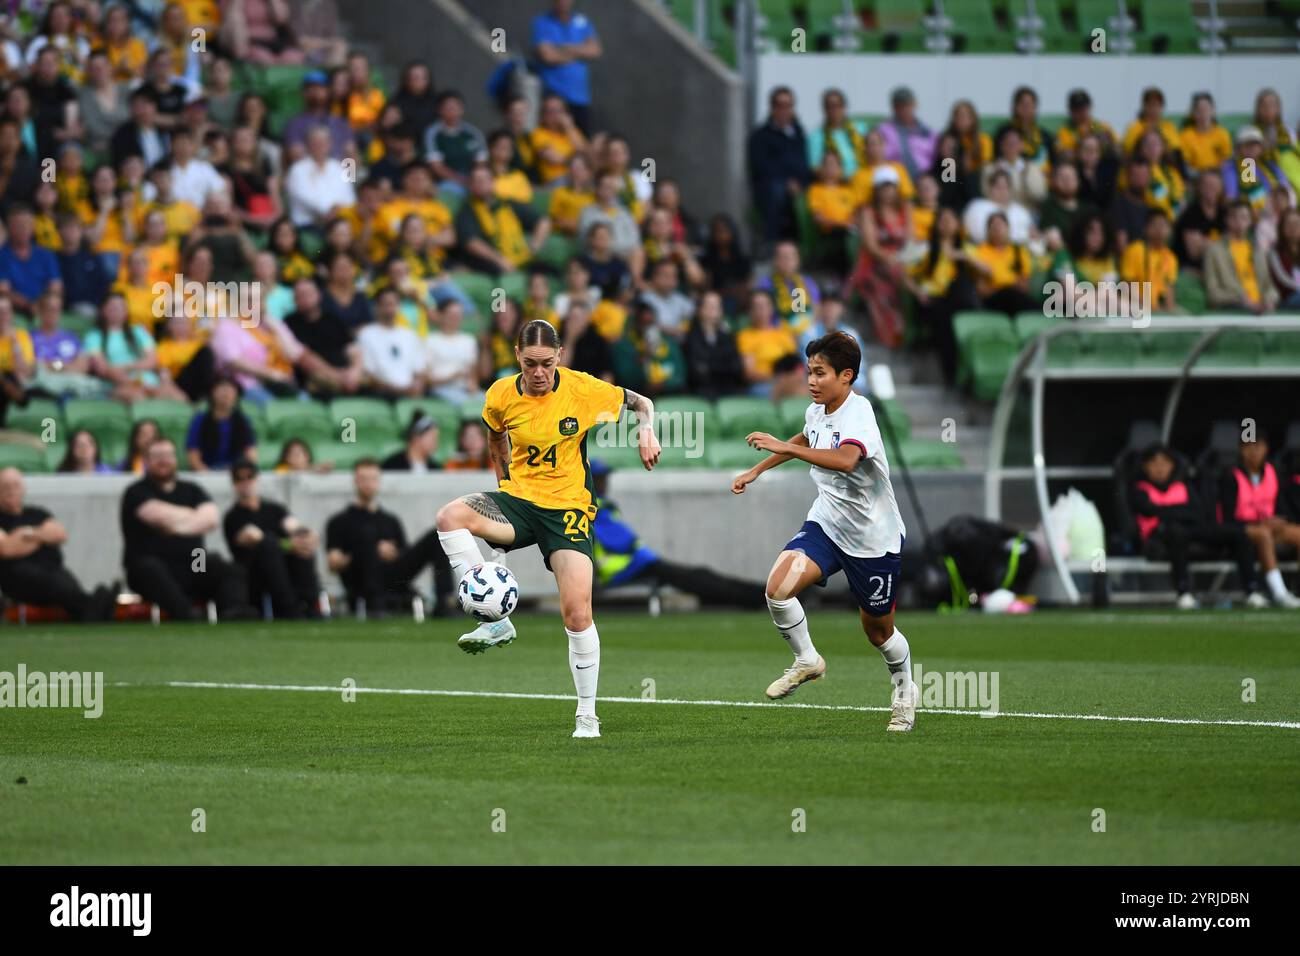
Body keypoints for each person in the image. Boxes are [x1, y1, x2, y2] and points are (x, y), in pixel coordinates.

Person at [434, 319, 662, 738]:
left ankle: (587, 714)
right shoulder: (500, 394)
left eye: (546, 364)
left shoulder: (583, 389)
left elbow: (642, 402)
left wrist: (646, 432)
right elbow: (495, 439)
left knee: (577, 614)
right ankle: (492, 617)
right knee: (449, 516)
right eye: (530, 364)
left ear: (559, 357)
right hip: (519, 501)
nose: (538, 373)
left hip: (568, 509)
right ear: (517, 358)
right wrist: (504, 487)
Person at [731, 331, 915, 732]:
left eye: (820, 373)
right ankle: (808, 660)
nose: (811, 381)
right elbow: (806, 438)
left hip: (872, 537)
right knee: (777, 589)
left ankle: (904, 691)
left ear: (846, 376)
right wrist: (757, 470)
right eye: (809, 371)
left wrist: (785, 447)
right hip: (828, 522)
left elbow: (847, 460)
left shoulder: (859, 412)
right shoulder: (818, 411)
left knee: (878, 631)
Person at [590, 459, 765, 607]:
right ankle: (759, 597)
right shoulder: (597, 507)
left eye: (604, 478)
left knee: (698, 577)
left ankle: (756, 596)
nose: (604, 482)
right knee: (699, 576)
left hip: (637, 564)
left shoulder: (602, 506)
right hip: (628, 567)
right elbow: (622, 541)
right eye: (599, 478)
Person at [120, 438, 254, 621]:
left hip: (194, 561)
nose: (163, 460)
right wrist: (193, 517)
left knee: (227, 568)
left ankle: (234, 610)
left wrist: (173, 524)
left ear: (175, 459)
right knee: (149, 568)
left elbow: (211, 519)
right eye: (157, 456)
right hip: (153, 564)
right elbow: (155, 515)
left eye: (168, 455)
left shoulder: (192, 490)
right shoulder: (136, 492)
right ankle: (186, 613)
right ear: (146, 460)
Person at [1129, 444, 1260, 610]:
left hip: (1192, 529)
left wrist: (1168, 511)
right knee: (1177, 533)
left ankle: (1252, 590)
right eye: (1154, 464)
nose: (1160, 468)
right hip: (1160, 536)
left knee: (1240, 534)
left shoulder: (1183, 486)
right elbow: (1149, 510)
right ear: (1145, 467)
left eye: (1164, 463)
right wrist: (1179, 511)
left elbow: (1198, 512)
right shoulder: (1140, 489)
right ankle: (1183, 592)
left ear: (1172, 465)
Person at [326, 459, 454, 616]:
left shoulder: (390, 520)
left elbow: (404, 553)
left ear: (378, 482)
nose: (368, 484)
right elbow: (333, 562)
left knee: (437, 536)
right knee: (367, 536)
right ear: (355, 481)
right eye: (364, 479)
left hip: (392, 576)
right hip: (359, 579)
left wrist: (392, 554)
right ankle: (375, 603)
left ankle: (444, 602)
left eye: (373, 479)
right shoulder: (340, 521)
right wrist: (368, 550)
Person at [0, 467, 115, 620]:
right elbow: (6, 548)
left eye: (15, 486)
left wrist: (27, 534)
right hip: (17, 575)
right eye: (5, 487)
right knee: (51, 581)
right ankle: (95, 607)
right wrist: (41, 537)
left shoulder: (37, 513)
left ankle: (94, 608)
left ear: (23, 488)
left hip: (52, 569)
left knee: (62, 580)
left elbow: (59, 534)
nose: (11, 491)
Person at [223, 459, 321, 620]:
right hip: (253, 574)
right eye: (240, 479)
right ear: (234, 484)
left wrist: (308, 536)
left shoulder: (274, 509)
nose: (246, 482)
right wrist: (289, 544)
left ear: (257, 479)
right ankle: (289, 608)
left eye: (250, 477)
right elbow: (253, 537)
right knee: (269, 546)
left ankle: (309, 604)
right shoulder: (233, 516)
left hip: (285, 567)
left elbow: (294, 526)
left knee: (302, 545)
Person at [1216, 433, 1300, 608]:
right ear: (1241, 450)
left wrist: (1280, 520)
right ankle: (1280, 593)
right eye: (1249, 447)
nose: (1254, 451)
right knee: (1262, 534)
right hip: (1243, 529)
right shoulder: (1230, 476)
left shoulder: (1273, 472)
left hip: (1270, 526)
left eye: (1258, 446)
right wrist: (1260, 523)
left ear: (1266, 449)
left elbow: (1282, 506)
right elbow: (1227, 517)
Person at [748, 86, 810, 244]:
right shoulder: (760, 136)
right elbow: (760, 167)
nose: (784, 110)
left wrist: (799, 181)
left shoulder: (799, 133)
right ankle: (771, 245)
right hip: (771, 186)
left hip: (797, 183)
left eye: (788, 105)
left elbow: (803, 163)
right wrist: (787, 181)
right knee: (776, 193)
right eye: (779, 105)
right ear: (772, 108)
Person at [531, 0, 602, 133]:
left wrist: (566, 49)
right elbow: (548, 56)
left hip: (581, 97)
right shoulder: (542, 22)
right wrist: (580, 52)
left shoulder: (582, 21)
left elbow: (595, 50)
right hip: (555, 96)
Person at [1204, 200, 1277, 314]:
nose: (1239, 222)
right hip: (1235, 308)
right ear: (1227, 220)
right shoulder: (1214, 251)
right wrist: (1241, 299)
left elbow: (1270, 287)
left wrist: (1270, 299)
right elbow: (1213, 294)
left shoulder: (1258, 251)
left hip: (1262, 308)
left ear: (1250, 221)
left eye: (1244, 218)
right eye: (1234, 217)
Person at [186, 375, 258, 471]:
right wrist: (208, 475)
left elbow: (251, 453)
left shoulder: (243, 420)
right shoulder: (200, 420)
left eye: (230, 390)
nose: (226, 394)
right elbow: (193, 455)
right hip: (207, 472)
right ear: (212, 393)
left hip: (236, 472)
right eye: (221, 390)